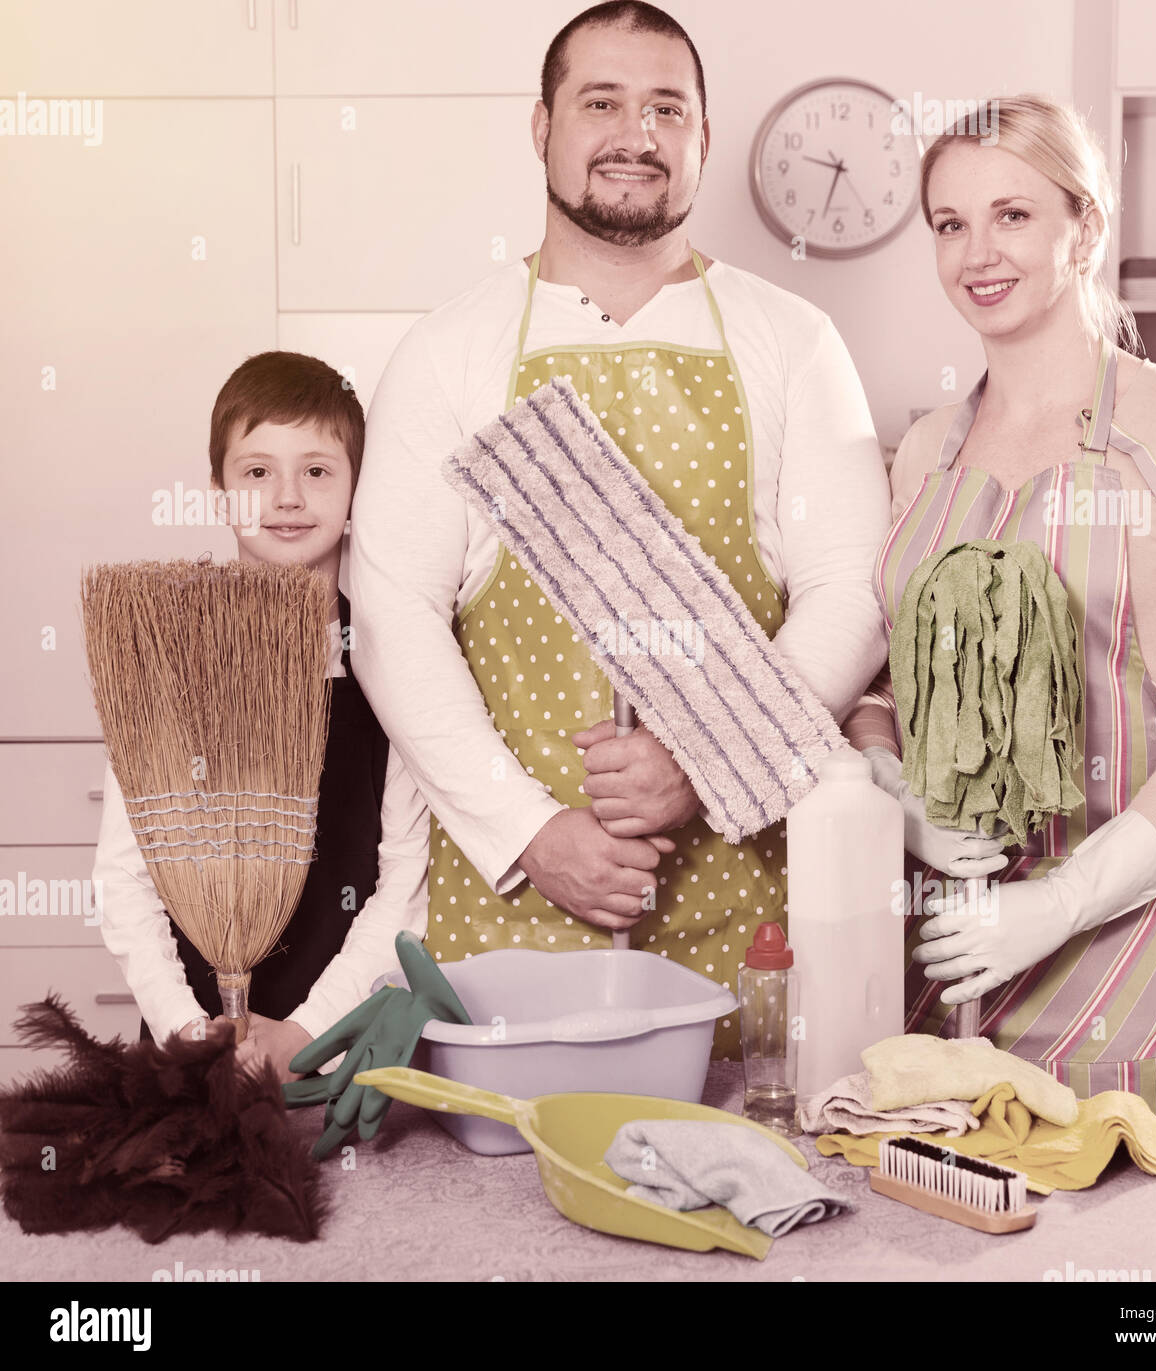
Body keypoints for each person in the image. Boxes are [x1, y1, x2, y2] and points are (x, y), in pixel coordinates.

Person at [350, 2, 892, 1059]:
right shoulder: (447, 352)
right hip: (511, 907)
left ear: (701, 136)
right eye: (600, 102)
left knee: (754, 1168)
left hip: (747, 900)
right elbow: (391, 617)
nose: (633, 134)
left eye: (665, 109)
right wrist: (529, 832)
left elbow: (851, 596)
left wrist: (702, 758)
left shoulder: (795, 341)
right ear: (541, 124)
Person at [846, 95, 1156, 1129]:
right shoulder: (923, 451)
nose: (974, 253)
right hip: (936, 943)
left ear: (1083, 229)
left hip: (1108, 954)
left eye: (1011, 215)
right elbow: (880, 683)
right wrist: (889, 787)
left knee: (1100, 1238)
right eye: (949, 224)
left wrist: (1059, 902)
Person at [92, 352, 432, 1082]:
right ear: (218, 491)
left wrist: (305, 1033)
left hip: (339, 1057)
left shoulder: (394, 662)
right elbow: (124, 881)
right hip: (190, 1066)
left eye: (316, 470)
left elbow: (404, 881)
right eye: (256, 472)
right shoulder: (160, 656)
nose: (286, 497)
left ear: (355, 491)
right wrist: (192, 1031)